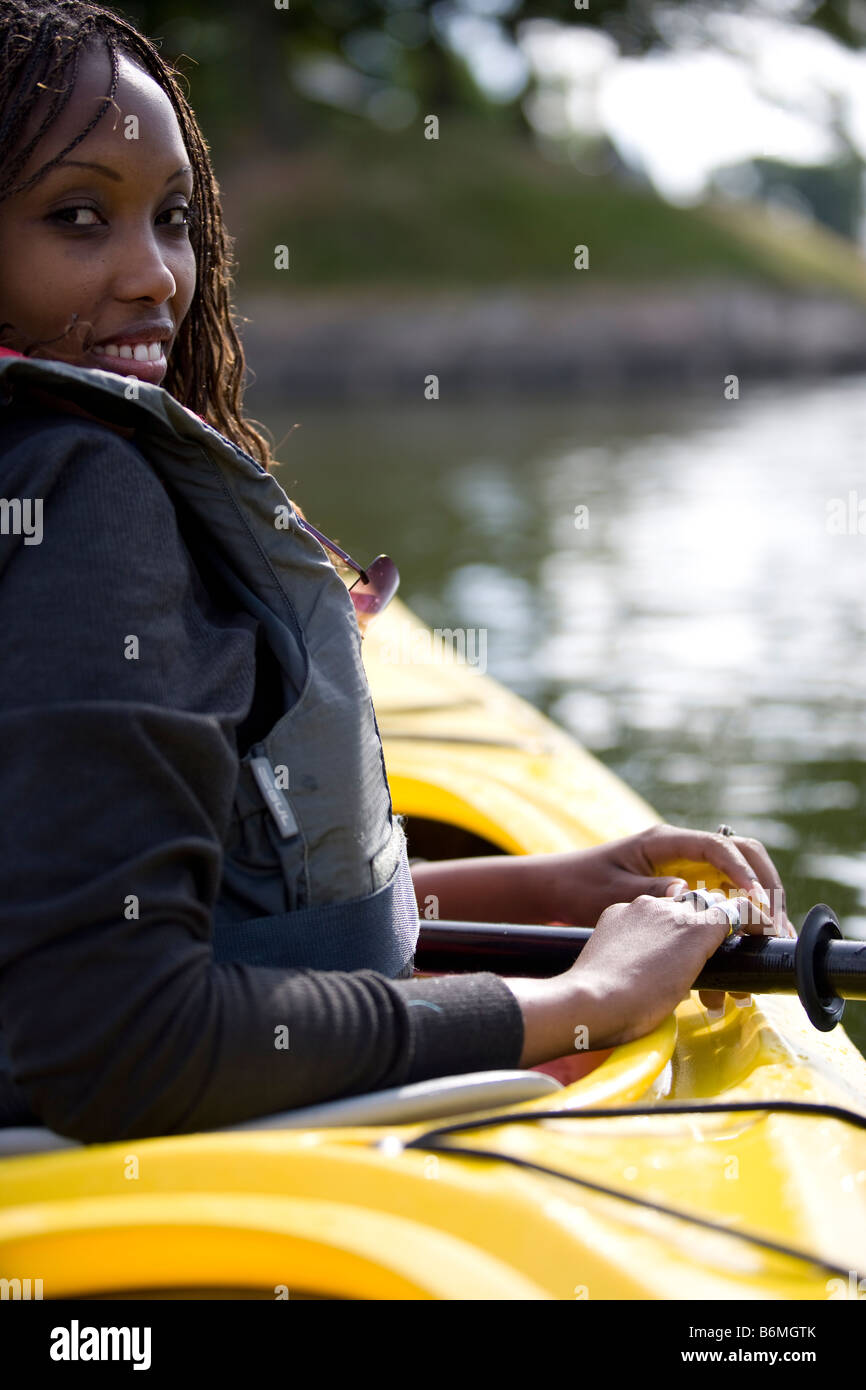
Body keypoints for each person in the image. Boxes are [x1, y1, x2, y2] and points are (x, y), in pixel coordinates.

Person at [0, 0, 791, 1144]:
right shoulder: (84, 496)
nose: (155, 277)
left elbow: (118, 905)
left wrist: (550, 887)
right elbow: (122, 1036)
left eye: (173, 219)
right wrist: (583, 1001)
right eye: (78, 218)